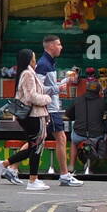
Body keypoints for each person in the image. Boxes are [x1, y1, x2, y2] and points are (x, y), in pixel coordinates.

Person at [0, 49, 51, 190]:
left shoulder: (27, 73)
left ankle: (4, 164)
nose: (36, 60)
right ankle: (33, 181)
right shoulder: (28, 74)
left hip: (32, 116)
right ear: (29, 60)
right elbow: (31, 96)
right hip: (33, 115)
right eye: (34, 58)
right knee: (36, 148)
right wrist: (47, 99)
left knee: (33, 147)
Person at [36, 35, 82, 185]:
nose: (61, 47)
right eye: (59, 44)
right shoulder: (43, 64)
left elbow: (49, 86)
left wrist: (66, 81)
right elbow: (38, 88)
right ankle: (64, 175)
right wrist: (57, 88)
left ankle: (9, 166)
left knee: (37, 140)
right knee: (60, 139)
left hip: (51, 107)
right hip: (50, 108)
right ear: (51, 47)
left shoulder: (49, 63)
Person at [69, 79, 107, 172]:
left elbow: (69, 115)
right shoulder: (103, 102)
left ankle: (71, 165)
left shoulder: (78, 100)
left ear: (86, 89)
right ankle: (90, 166)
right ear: (99, 91)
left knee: (73, 141)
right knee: (101, 138)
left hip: (79, 135)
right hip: (96, 136)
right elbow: (105, 118)